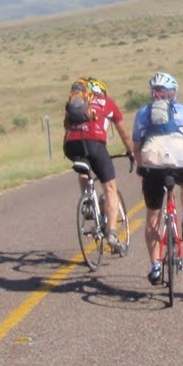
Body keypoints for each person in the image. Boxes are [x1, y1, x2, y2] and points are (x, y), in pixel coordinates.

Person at [132, 71, 183, 285]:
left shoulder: (142, 113)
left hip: (153, 163)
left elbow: (136, 147)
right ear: (173, 93)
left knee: (153, 217)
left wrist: (142, 168)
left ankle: (155, 266)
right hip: (181, 161)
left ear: (153, 94)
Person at [62, 77, 134, 253]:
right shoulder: (108, 103)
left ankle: (87, 201)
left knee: (83, 168)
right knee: (110, 188)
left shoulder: (76, 101)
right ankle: (112, 233)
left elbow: (66, 124)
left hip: (71, 145)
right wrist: (131, 152)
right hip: (95, 144)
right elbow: (124, 133)